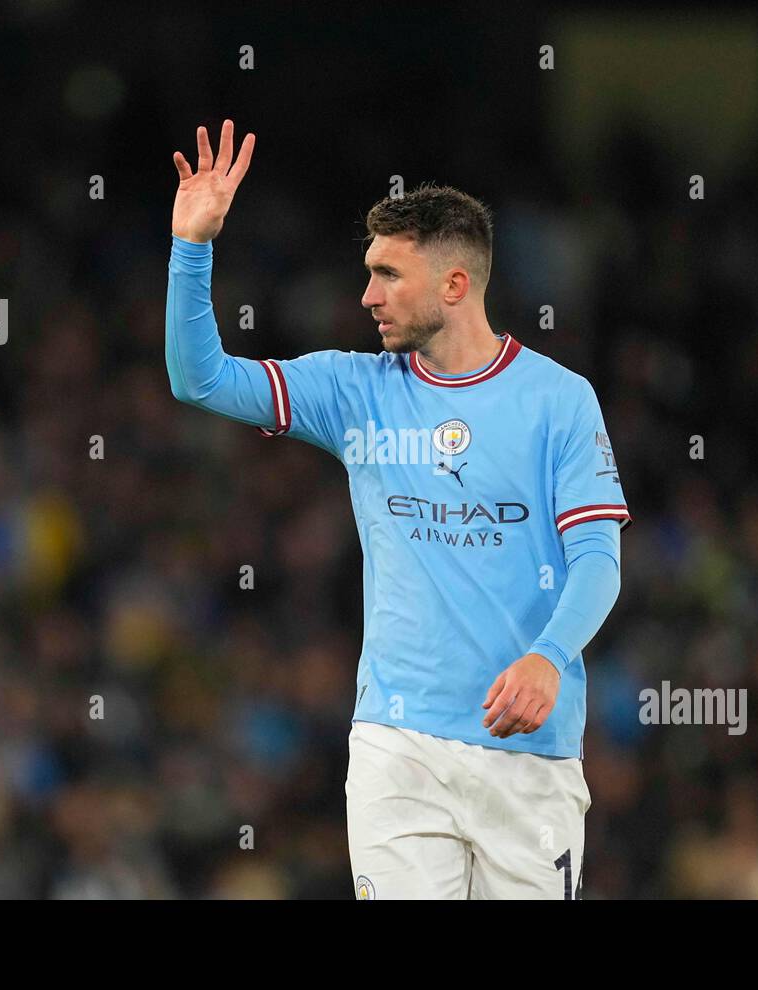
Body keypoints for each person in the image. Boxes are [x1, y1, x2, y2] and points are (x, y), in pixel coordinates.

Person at [165, 119, 631, 899]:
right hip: (398, 743)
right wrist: (192, 247)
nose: (367, 295)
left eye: (387, 274)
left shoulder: (558, 401)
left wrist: (549, 657)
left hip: (530, 751)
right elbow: (200, 379)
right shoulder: (355, 390)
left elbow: (598, 561)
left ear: (455, 284)